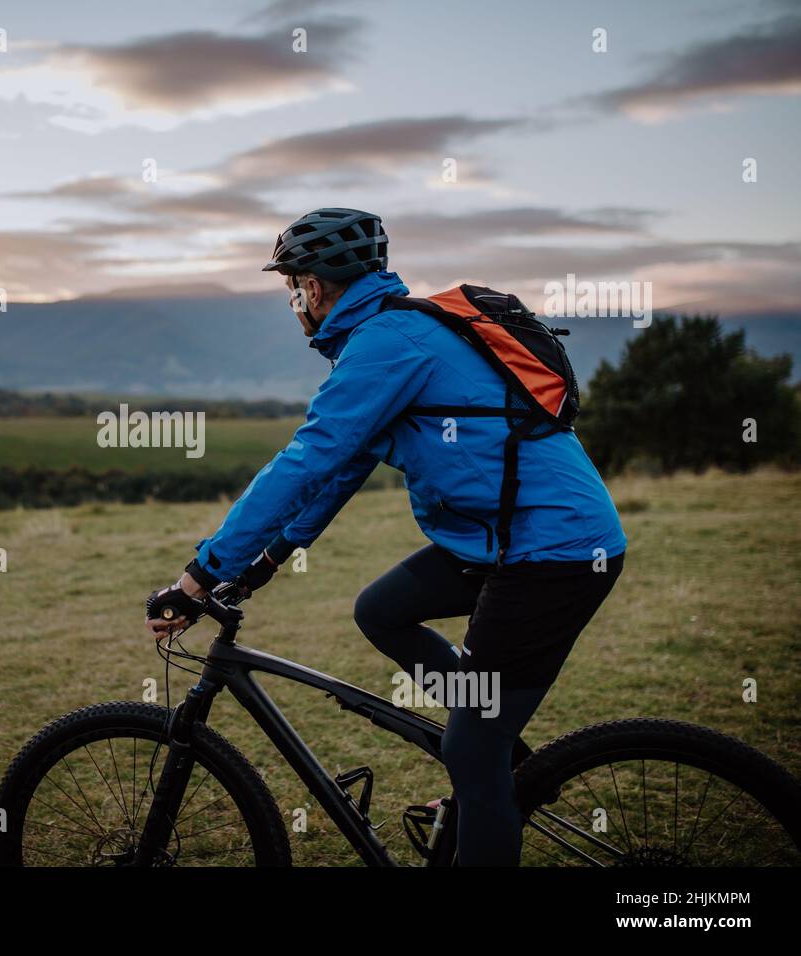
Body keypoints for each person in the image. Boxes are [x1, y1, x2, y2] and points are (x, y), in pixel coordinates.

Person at [145, 207, 626, 866]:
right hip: (499, 540)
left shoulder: (389, 341)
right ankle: (489, 750)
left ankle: (481, 761)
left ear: (313, 288)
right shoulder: (392, 334)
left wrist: (199, 574)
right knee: (383, 609)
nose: (294, 302)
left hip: (555, 552)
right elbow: (343, 467)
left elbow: (309, 459)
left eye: (293, 287)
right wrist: (265, 560)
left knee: (469, 751)